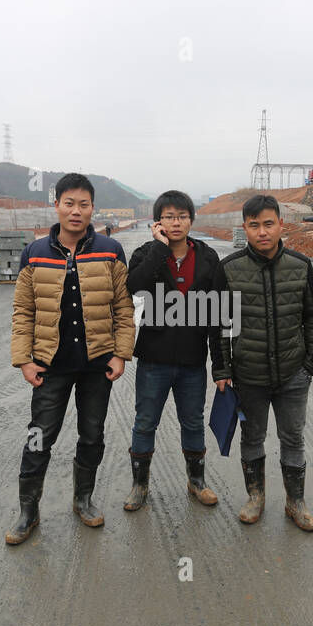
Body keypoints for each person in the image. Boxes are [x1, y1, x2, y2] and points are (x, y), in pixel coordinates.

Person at [7, 172, 135, 545]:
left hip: (97, 365)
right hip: (51, 366)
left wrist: (121, 353)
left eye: (83, 204)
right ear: (57, 205)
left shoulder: (111, 250)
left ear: (93, 208)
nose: (76, 211)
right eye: (69, 203)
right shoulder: (35, 253)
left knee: (92, 434)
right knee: (38, 437)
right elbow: (23, 312)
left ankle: (83, 499)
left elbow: (124, 308)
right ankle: (28, 512)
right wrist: (24, 360)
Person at [209, 194, 313, 531]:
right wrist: (222, 369)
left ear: (281, 225)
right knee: (252, 437)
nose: (262, 231)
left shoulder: (301, 266)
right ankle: (255, 497)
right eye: (254, 225)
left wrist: (310, 366)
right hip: (249, 375)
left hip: (292, 375)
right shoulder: (229, 269)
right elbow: (219, 324)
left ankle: (295, 502)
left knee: (293, 439)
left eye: (268, 223)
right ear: (244, 227)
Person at [123, 190, 225, 511]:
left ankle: (197, 482)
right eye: (168, 216)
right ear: (158, 222)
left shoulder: (208, 258)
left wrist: (220, 367)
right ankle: (140, 485)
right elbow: (134, 286)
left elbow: (219, 316)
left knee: (193, 422)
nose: (176, 222)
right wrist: (159, 248)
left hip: (192, 362)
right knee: (144, 422)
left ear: (191, 220)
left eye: (181, 216)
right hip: (154, 359)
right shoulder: (145, 254)